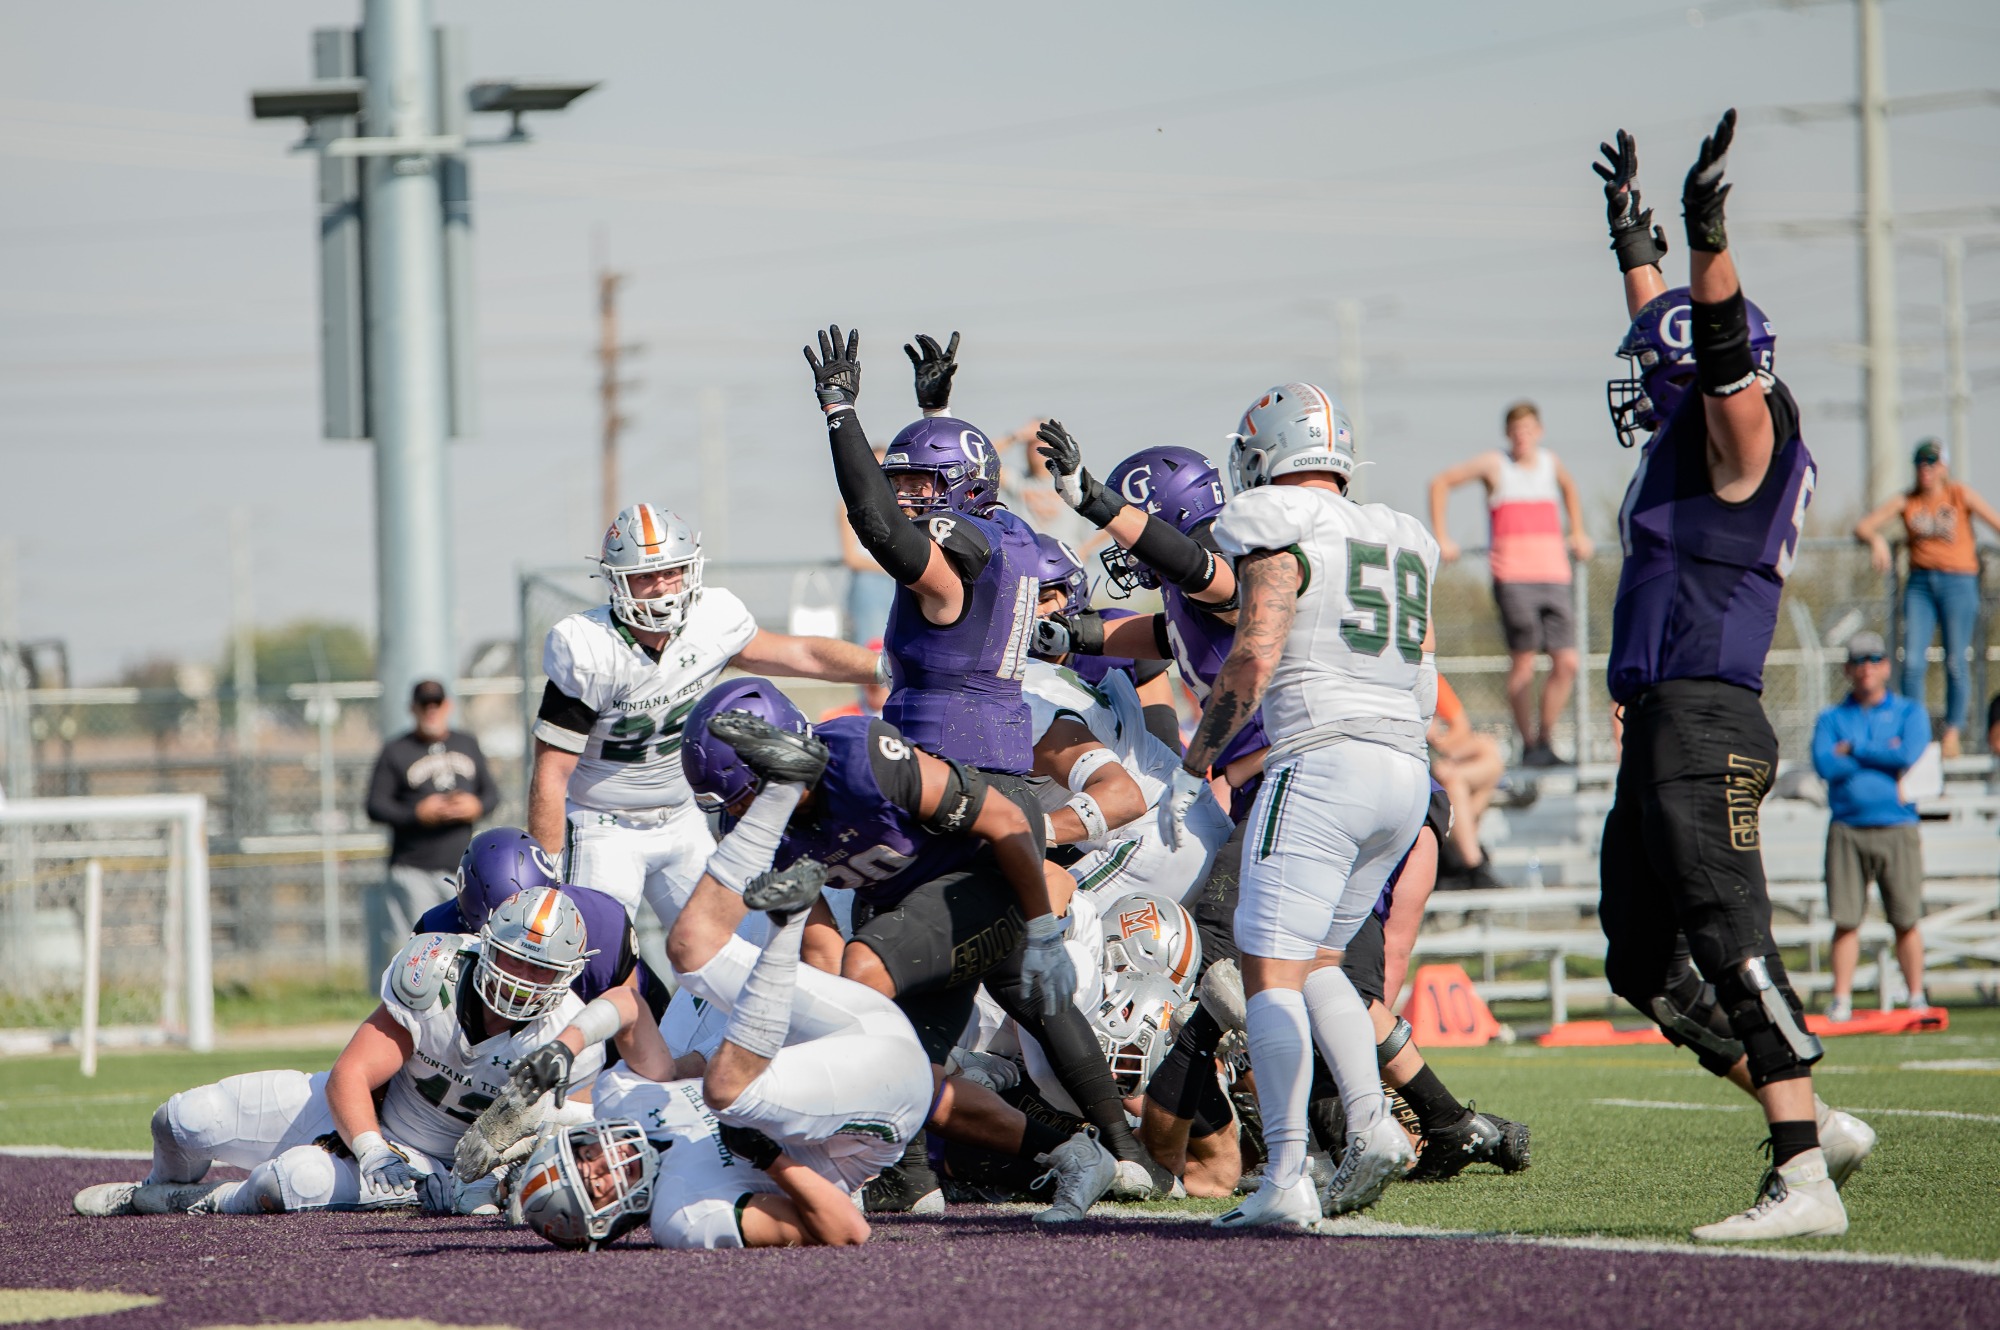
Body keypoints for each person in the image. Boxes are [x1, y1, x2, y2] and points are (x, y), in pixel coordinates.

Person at [1591, 110, 1875, 1240]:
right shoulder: (1694, 425)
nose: (1640, 392)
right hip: (1658, 723)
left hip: (1706, 719)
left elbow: (1712, 351)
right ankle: (1815, 1116)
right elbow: (1676, 342)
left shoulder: (1749, 437)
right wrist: (1630, 241)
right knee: (1639, 962)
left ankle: (1801, 1175)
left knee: (1730, 934)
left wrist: (1710, 235)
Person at [674, 677, 1150, 1215]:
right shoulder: (756, 829)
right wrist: (840, 1031)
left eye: (748, 794)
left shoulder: (859, 757)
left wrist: (1040, 923)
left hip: (991, 866)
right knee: (905, 1080)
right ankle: (1074, 1155)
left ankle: (1125, 1143)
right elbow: (818, 942)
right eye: (733, 803)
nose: (744, 813)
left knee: (867, 968)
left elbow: (1007, 819)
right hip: (910, 907)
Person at [1168, 381, 1439, 1230]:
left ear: (1264, 455)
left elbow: (1252, 654)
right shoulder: (1401, 534)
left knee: (1268, 969)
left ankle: (1285, 1172)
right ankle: (1370, 1120)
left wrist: (1202, 753)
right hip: (1404, 766)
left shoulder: (1274, 520)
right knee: (1322, 962)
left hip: (1323, 759)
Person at [71, 886, 601, 1218]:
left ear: (568, 976)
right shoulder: (435, 974)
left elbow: (561, 1136)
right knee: (183, 1118)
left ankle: (204, 1203)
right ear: (485, 944)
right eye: (513, 959)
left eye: (542, 970)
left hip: (432, 1168)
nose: (522, 981)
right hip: (368, 1121)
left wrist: (489, 1188)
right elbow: (350, 1074)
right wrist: (370, 1148)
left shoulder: (567, 1033)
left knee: (283, 1183)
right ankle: (153, 1191)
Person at [503, 859, 936, 1250]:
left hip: (868, 1021)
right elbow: (849, 1230)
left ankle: (779, 827)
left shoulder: (622, 1101)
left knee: (689, 950)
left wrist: (565, 1045)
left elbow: (628, 1004)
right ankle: (783, 928)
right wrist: (770, 1159)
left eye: (584, 1159)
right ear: (607, 1220)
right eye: (595, 1186)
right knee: (727, 1090)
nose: (603, 1165)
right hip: (889, 1098)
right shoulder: (686, 1218)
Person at [529, 502, 881, 927]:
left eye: (672, 571)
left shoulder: (713, 621)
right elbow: (551, 773)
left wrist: (884, 668)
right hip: (603, 824)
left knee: (728, 946)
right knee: (597, 955)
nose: (662, 587)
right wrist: (544, 873)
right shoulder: (590, 648)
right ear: (617, 582)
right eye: (645, 576)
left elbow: (803, 654)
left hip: (682, 816)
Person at [805, 324, 1043, 774]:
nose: (903, 497)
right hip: (997, 755)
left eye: (917, 485)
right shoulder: (1011, 533)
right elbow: (959, 469)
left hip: (952, 767)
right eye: (898, 484)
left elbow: (877, 522)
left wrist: (839, 410)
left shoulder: (955, 566)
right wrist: (937, 411)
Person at [1428, 402, 1593, 766]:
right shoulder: (1494, 464)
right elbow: (1440, 483)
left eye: (1529, 429)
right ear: (1508, 434)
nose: (1523, 437)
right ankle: (1529, 744)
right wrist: (1443, 536)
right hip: (1514, 577)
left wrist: (1578, 531)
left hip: (1555, 575)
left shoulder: (1551, 463)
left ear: (1540, 431)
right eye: (1517, 431)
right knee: (1524, 662)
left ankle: (1546, 739)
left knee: (1566, 662)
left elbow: (1569, 488)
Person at [1810, 631, 1932, 1021]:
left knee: (1906, 918)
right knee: (1845, 920)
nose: (1866, 668)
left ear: (1886, 666)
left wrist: (1856, 749)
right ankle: (1842, 999)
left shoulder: (1909, 712)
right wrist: (1885, 758)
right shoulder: (1831, 717)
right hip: (1847, 827)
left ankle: (1916, 996)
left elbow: (1910, 753)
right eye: (1859, 661)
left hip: (1898, 826)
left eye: (1874, 659)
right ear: (1847, 668)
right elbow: (1826, 765)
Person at [1855, 438, 2000, 757]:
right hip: (1920, 584)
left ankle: (1952, 732)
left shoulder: (1959, 494)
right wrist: (1877, 541)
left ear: (1944, 466)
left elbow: (1995, 522)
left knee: (1955, 661)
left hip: (1959, 582)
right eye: (1921, 462)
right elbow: (1864, 526)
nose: (1926, 468)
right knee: (1913, 663)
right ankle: (1913, 729)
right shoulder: (1908, 500)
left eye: (1932, 462)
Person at [363, 679, 499, 980]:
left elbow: (491, 794)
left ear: (447, 706)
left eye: (437, 703)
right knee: (418, 950)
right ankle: (411, 1009)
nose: (431, 710)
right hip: (414, 867)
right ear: (413, 709)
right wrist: (417, 813)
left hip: (462, 869)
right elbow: (374, 806)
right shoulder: (397, 750)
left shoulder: (466, 743)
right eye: (425, 704)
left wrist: (475, 805)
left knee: (466, 947)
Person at [1427, 673, 1507, 889]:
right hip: (1417, 756)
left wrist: (1441, 743)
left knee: (1486, 747)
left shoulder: (1429, 676)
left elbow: (1460, 725)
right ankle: (1473, 864)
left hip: (1435, 751)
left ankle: (1460, 847)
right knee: (1454, 782)